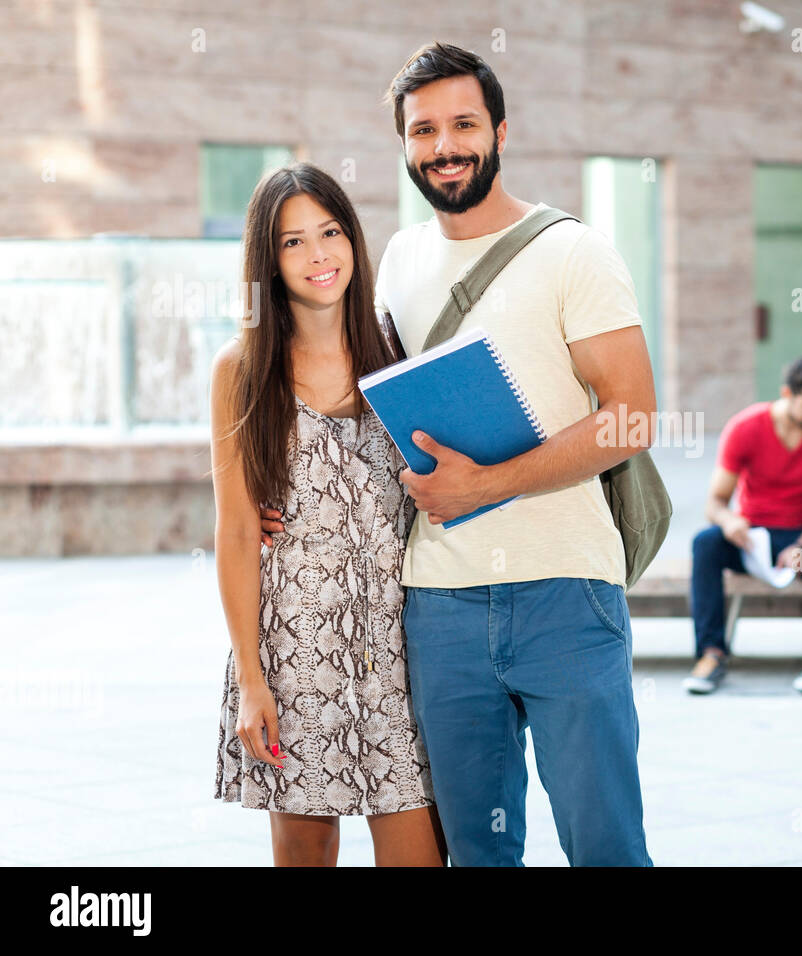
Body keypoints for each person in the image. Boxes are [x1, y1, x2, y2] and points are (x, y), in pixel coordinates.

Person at [264, 42, 657, 866]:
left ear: (501, 131)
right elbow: (346, 394)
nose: (445, 146)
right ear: (405, 146)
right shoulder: (400, 260)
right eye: (423, 130)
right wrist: (279, 499)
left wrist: (491, 482)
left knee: (606, 845)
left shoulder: (573, 252)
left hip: (565, 591)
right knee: (478, 852)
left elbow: (633, 421)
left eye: (463, 124)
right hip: (439, 604)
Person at [211, 162, 446, 866]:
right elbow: (236, 530)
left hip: (404, 645)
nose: (319, 255)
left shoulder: (397, 348)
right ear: (268, 261)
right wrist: (253, 680)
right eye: (292, 242)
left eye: (331, 232)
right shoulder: (241, 369)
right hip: (296, 650)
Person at [684, 357, 802, 696]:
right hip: (751, 539)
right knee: (705, 544)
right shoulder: (745, 427)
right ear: (786, 393)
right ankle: (711, 654)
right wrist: (730, 521)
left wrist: (801, 548)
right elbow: (715, 502)